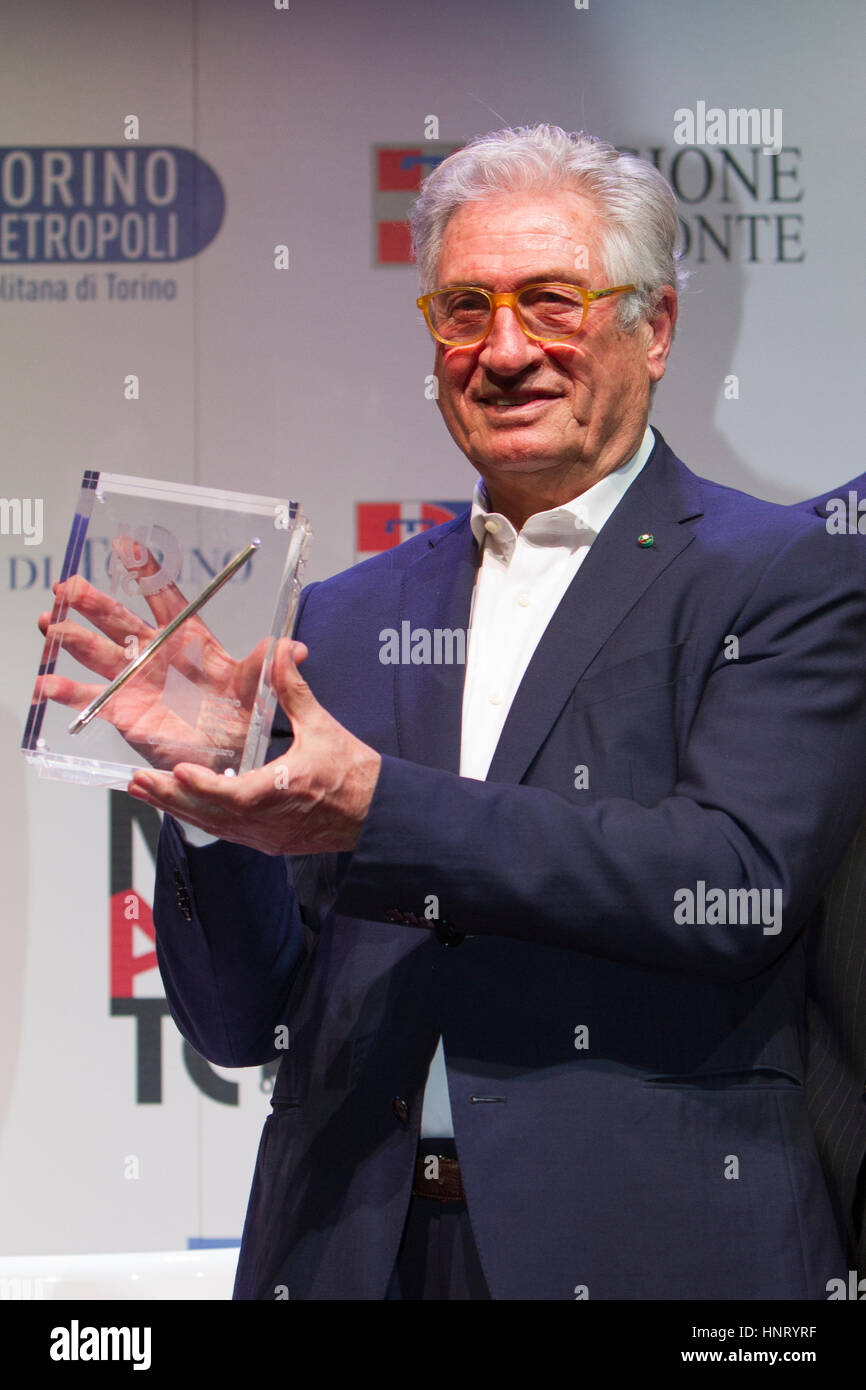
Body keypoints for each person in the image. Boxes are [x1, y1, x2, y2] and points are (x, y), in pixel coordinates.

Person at [39, 126, 866, 1300]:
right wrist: (219, 812)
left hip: (653, 1253)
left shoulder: (778, 571)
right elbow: (240, 1025)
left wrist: (378, 809)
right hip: (348, 1250)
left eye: (551, 301)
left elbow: (727, 882)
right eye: (464, 309)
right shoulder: (341, 610)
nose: (506, 349)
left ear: (659, 327)